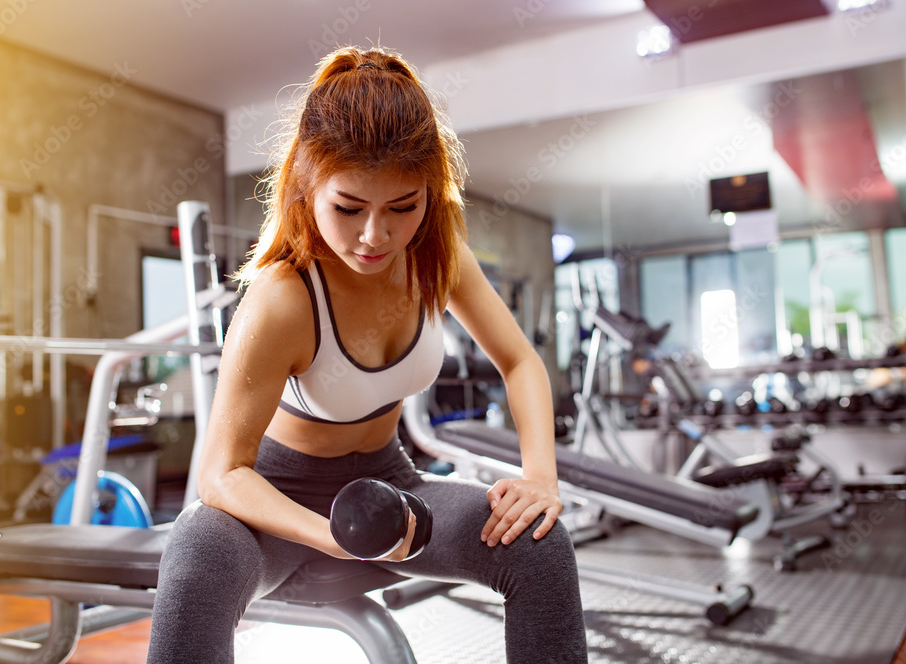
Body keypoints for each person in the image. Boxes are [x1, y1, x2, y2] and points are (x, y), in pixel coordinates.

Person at [147, 46, 588, 663]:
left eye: (402, 207)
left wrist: (540, 477)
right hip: (275, 502)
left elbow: (520, 361)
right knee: (197, 554)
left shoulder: (438, 259)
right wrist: (332, 538)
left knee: (538, 544)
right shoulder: (283, 299)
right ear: (307, 183)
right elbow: (222, 474)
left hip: (390, 485)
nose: (375, 236)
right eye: (349, 209)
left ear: (429, 193)